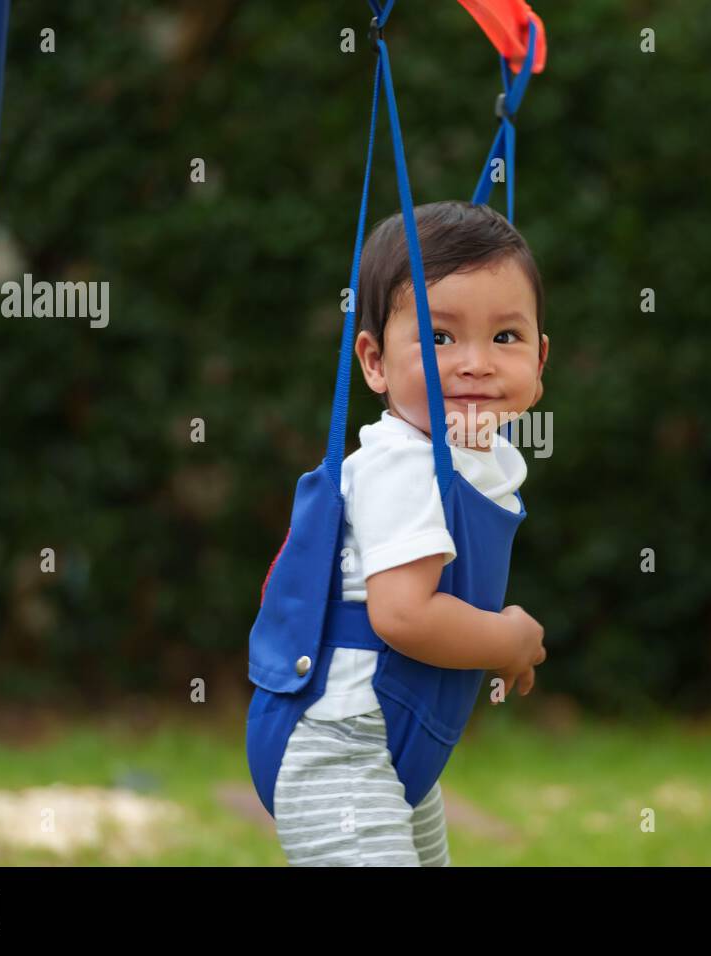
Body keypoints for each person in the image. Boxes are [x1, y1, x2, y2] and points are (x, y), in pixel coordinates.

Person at [247, 199, 550, 865]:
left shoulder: (480, 457)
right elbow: (404, 615)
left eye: (506, 337)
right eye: (439, 338)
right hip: (341, 747)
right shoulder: (404, 464)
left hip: (390, 739)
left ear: (540, 359)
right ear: (375, 361)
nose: (475, 362)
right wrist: (508, 639)